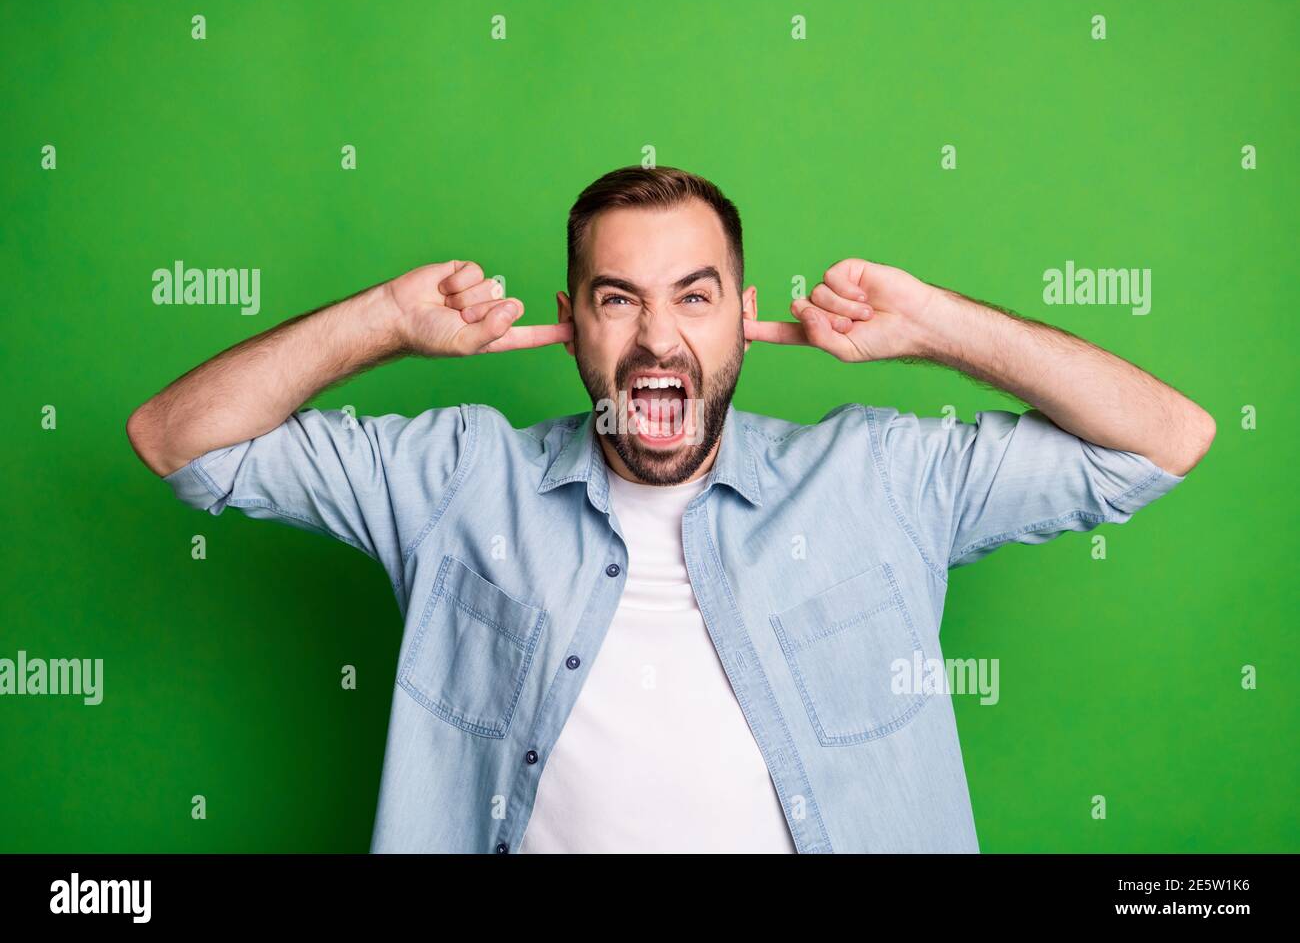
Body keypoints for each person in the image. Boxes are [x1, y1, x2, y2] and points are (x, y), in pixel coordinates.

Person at [126, 166, 1214, 853]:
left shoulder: (878, 479)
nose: (657, 338)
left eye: (694, 297)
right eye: (618, 298)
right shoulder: (455, 479)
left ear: (743, 318)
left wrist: (937, 327)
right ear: (570, 322)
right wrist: (377, 322)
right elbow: (178, 439)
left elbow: (1163, 441)